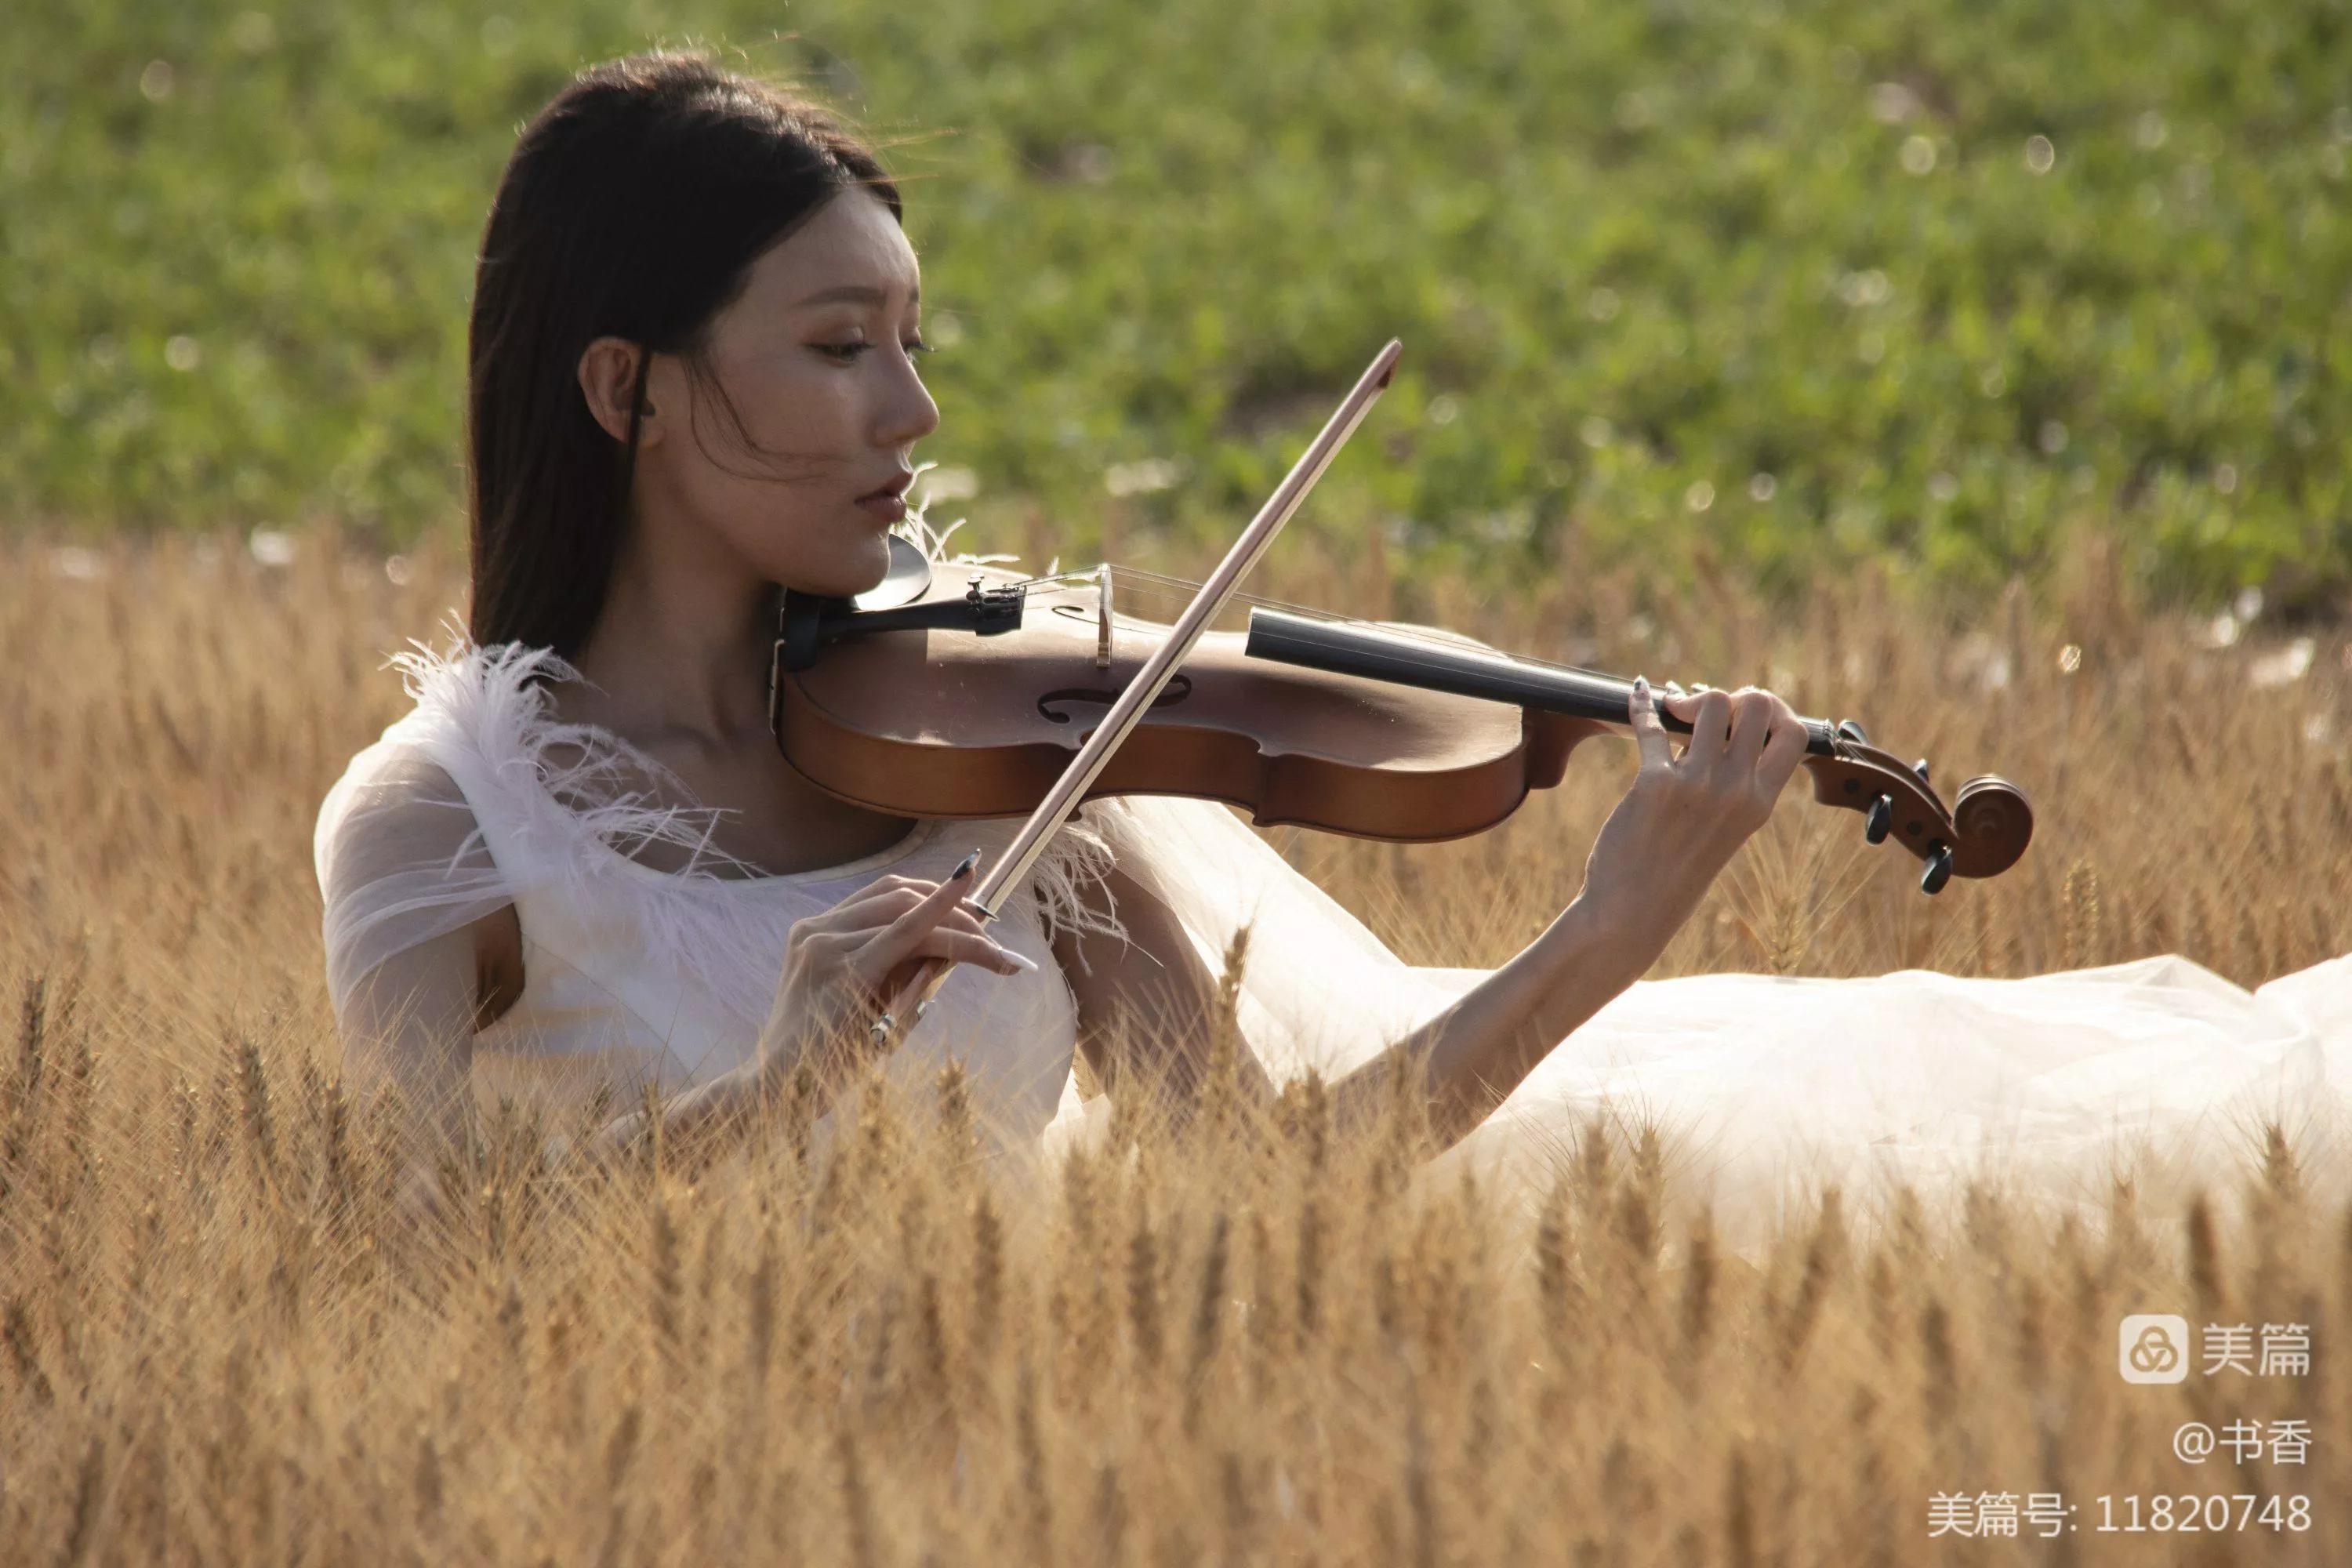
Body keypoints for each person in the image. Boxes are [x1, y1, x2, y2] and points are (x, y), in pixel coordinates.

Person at [316, 50, 2348, 1259]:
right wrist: (785, 1080)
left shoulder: (992, 764)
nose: (913, 419)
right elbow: (404, 1268)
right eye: (838, 350)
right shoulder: (444, 830)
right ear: (625, 388)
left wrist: (1603, 932)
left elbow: (1266, 1213)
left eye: (916, 346)